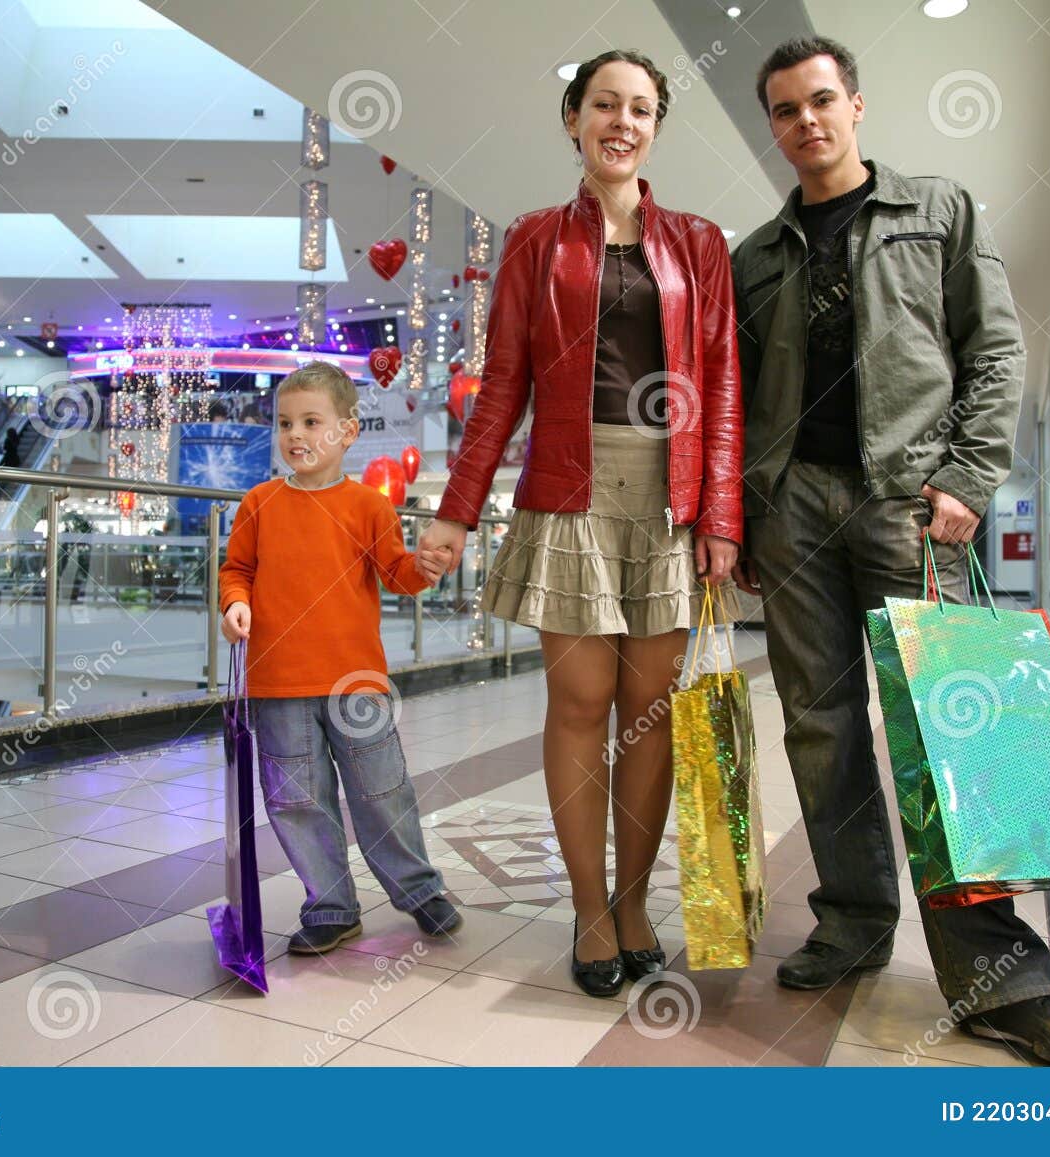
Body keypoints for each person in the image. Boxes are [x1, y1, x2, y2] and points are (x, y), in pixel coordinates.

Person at [731, 37, 1050, 1063]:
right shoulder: (755, 258)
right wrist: (740, 516)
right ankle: (853, 920)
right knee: (820, 726)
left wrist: (968, 477)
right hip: (793, 510)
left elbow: (995, 349)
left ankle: (1000, 978)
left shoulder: (937, 210)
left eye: (821, 100)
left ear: (855, 105)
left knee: (949, 735)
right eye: (784, 109)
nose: (805, 120)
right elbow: (732, 402)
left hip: (910, 499)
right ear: (772, 126)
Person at [420, 49, 743, 998]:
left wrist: (723, 513)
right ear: (573, 118)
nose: (623, 121)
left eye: (641, 108)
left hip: (671, 495)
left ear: (655, 127)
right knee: (579, 705)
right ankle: (590, 908)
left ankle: (637, 903)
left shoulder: (698, 243)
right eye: (606, 104)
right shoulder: (532, 239)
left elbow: (723, 387)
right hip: (568, 489)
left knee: (650, 718)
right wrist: (454, 513)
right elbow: (501, 392)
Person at [218, 360, 461, 954]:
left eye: (310, 422)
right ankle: (330, 905)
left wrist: (425, 569)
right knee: (296, 800)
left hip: (357, 680)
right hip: (277, 681)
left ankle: (418, 888)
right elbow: (237, 571)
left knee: (382, 789)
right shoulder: (259, 503)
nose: (294, 435)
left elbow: (397, 575)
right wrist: (235, 604)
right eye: (284, 423)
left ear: (347, 432)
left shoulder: (368, 508)